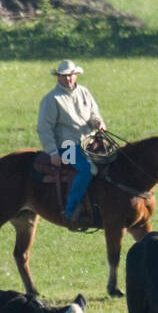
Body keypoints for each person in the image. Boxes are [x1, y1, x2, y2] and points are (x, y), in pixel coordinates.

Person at [36, 60, 105, 223]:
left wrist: (98, 122)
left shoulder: (84, 92)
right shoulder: (52, 99)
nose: (68, 79)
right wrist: (52, 151)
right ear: (58, 77)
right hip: (67, 147)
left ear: (76, 75)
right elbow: (44, 128)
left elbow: (94, 113)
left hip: (89, 142)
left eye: (70, 75)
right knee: (87, 169)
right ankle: (70, 210)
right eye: (64, 76)